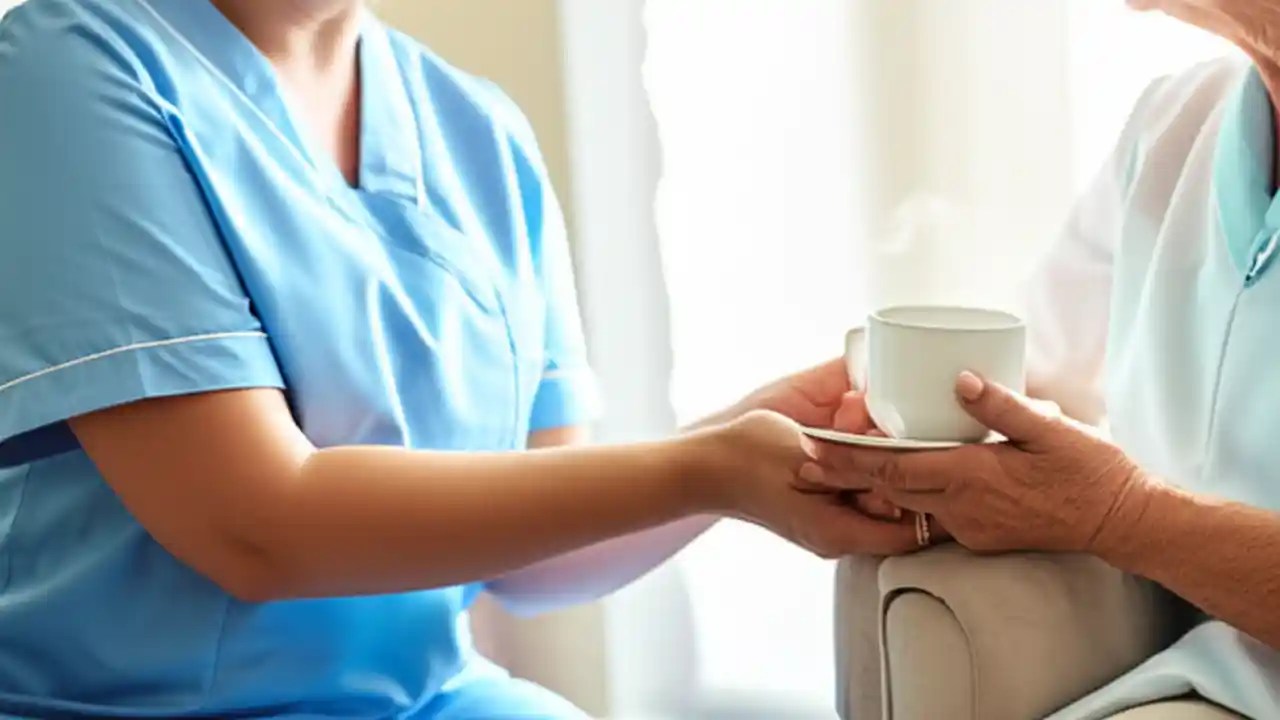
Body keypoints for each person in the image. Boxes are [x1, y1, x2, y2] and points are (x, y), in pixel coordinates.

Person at [0, 0, 914, 717]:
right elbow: (255, 530)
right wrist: (709, 470)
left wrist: (757, 442)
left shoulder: (477, 132)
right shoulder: (64, 75)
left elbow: (538, 558)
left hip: (438, 701)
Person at [807, 1, 1280, 718]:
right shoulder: (1178, 123)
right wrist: (918, 438)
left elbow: (1111, 502)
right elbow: (1035, 377)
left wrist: (1127, 516)